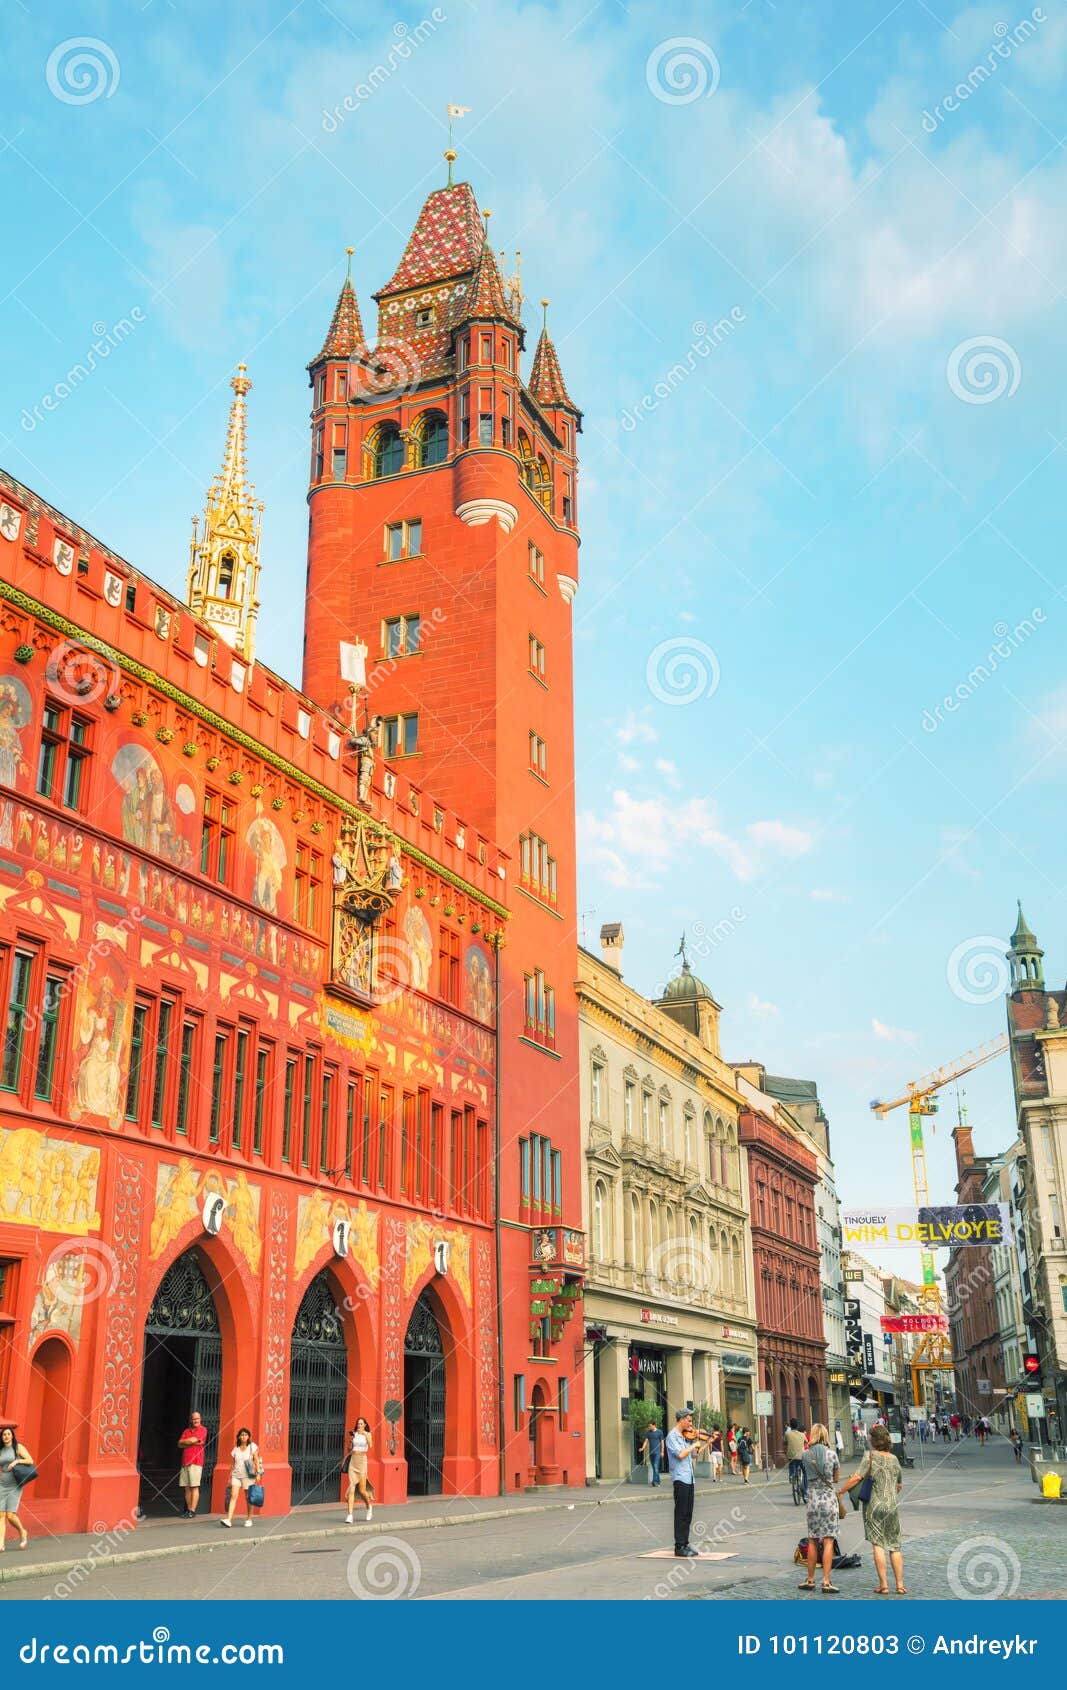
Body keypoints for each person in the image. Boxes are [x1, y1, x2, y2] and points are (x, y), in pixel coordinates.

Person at [839, 1422, 905, 1595]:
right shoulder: (894, 1459)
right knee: (894, 1546)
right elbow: (899, 1485)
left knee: (878, 1544)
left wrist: (841, 1491)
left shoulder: (870, 1456)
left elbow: (856, 1478)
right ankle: (900, 1585)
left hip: (873, 1506)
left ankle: (884, 1585)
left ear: (875, 1440)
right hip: (891, 1507)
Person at [798, 1424, 841, 1593]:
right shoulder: (832, 1455)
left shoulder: (805, 1455)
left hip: (813, 1501)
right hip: (829, 1501)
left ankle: (810, 1580)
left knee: (812, 1540)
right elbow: (836, 1479)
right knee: (828, 1540)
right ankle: (826, 1582)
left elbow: (807, 1474)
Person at [666, 1409, 704, 1558]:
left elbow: (692, 1456)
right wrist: (693, 1445)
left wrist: (702, 1445)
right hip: (680, 1478)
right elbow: (681, 1455)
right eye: (689, 1420)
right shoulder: (672, 1436)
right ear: (681, 1419)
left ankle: (685, 1543)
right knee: (680, 1513)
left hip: (689, 1477)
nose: (691, 1424)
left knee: (688, 1513)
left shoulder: (685, 1437)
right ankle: (679, 1546)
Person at [221, 1428, 262, 1528]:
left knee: (248, 1498)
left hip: (248, 1476)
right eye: (242, 1435)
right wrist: (230, 1477)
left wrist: (258, 1474)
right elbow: (233, 1464)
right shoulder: (236, 1449)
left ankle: (249, 1519)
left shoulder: (252, 1447)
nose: (244, 1437)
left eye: (246, 1435)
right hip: (236, 1475)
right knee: (233, 1496)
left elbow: (256, 1461)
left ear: (248, 1436)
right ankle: (229, 1520)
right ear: (239, 1436)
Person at [0, 1426, 32, 1551]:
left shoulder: (18, 1447)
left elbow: (30, 1460)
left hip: (15, 1485)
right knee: (1, 1515)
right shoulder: (1, 1449)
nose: (6, 1436)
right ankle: (1, 1543)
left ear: (12, 1436)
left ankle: (22, 1531)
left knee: (10, 1515)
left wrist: (16, 1462)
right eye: (4, 1434)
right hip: (2, 1484)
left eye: (8, 1434)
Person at [178, 1410, 207, 1519]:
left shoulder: (202, 1429)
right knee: (186, 1487)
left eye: (197, 1418)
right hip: (185, 1462)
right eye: (194, 1419)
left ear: (200, 1419)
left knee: (194, 1486)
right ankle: (188, 1510)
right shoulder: (186, 1431)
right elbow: (179, 1444)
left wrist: (187, 1442)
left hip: (196, 1461)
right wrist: (190, 1441)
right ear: (191, 1420)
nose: (195, 1420)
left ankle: (192, 1511)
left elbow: (191, 1440)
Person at [345, 1417, 374, 1523]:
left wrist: (365, 1434)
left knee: (362, 1490)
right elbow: (349, 1449)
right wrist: (350, 1440)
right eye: (358, 1424)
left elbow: (370, 1445)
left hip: (362, 1461)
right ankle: (350, 1515)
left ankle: (369, 1507)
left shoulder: (368, 1434)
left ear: (365, 1425)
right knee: (351, 1488)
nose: (359, 1425)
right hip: (353, 1461)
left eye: (361, 1424)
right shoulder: (354, 1434)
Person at [784, 1418, 808, 1500]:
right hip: (801, 1456)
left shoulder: (787, 1434)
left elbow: (784, 1443)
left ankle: (792, 1475)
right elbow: (806, 1442)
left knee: (792, 1465)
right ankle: (805, 1492)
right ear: (797, 1426)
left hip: (791, 1456)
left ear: (790, 1425)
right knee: (805, 1472)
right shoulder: (802, 1434)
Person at [640, 1419, 665, 1488]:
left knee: (656, 1466)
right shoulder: (649, 1433)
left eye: (650, 1426)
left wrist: (662, 1452)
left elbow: (662, 1442)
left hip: (657, 1453)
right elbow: (646, 1441)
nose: (649, 1427)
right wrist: (642, 1448)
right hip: (651, 1453)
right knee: (654, 1468)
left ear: (654, 1425)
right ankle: (658, 1481)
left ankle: (654, 1482)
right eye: (649, 1426)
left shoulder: (660, 1432)